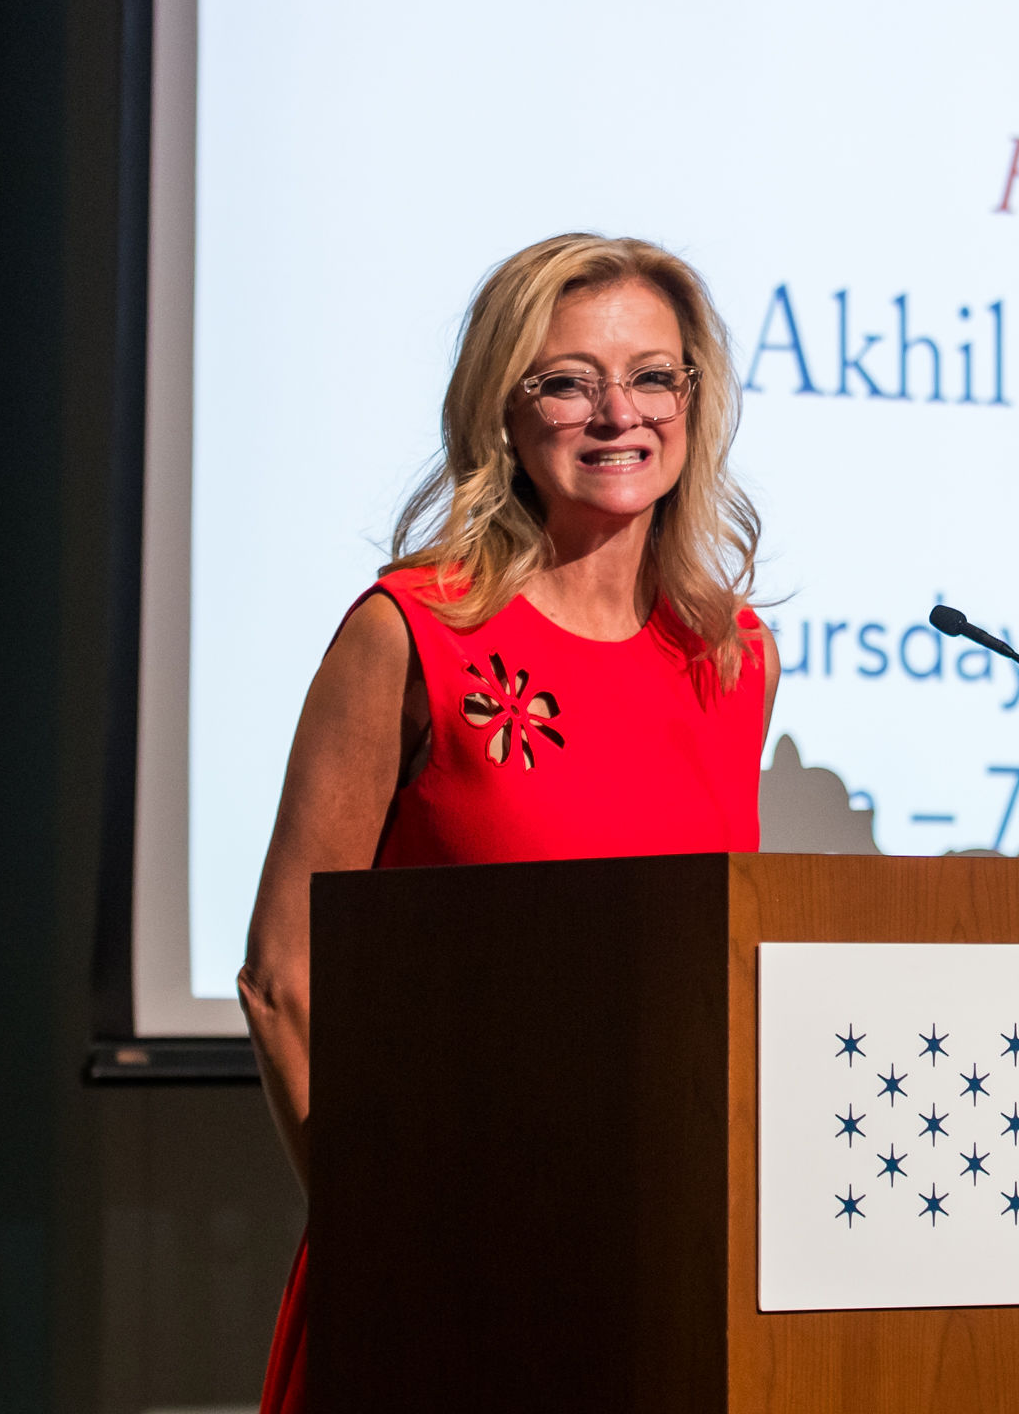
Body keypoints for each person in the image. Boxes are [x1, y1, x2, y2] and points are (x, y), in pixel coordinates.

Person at [240, 234, 776, 1412]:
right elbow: (283, 978)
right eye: (568, 379)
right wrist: (389, 1236)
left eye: (651, 377)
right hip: (443, 1267)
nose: (616, 413)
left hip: (658, 1267)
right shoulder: (410, 632)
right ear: (503, 409)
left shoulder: (731, 660)